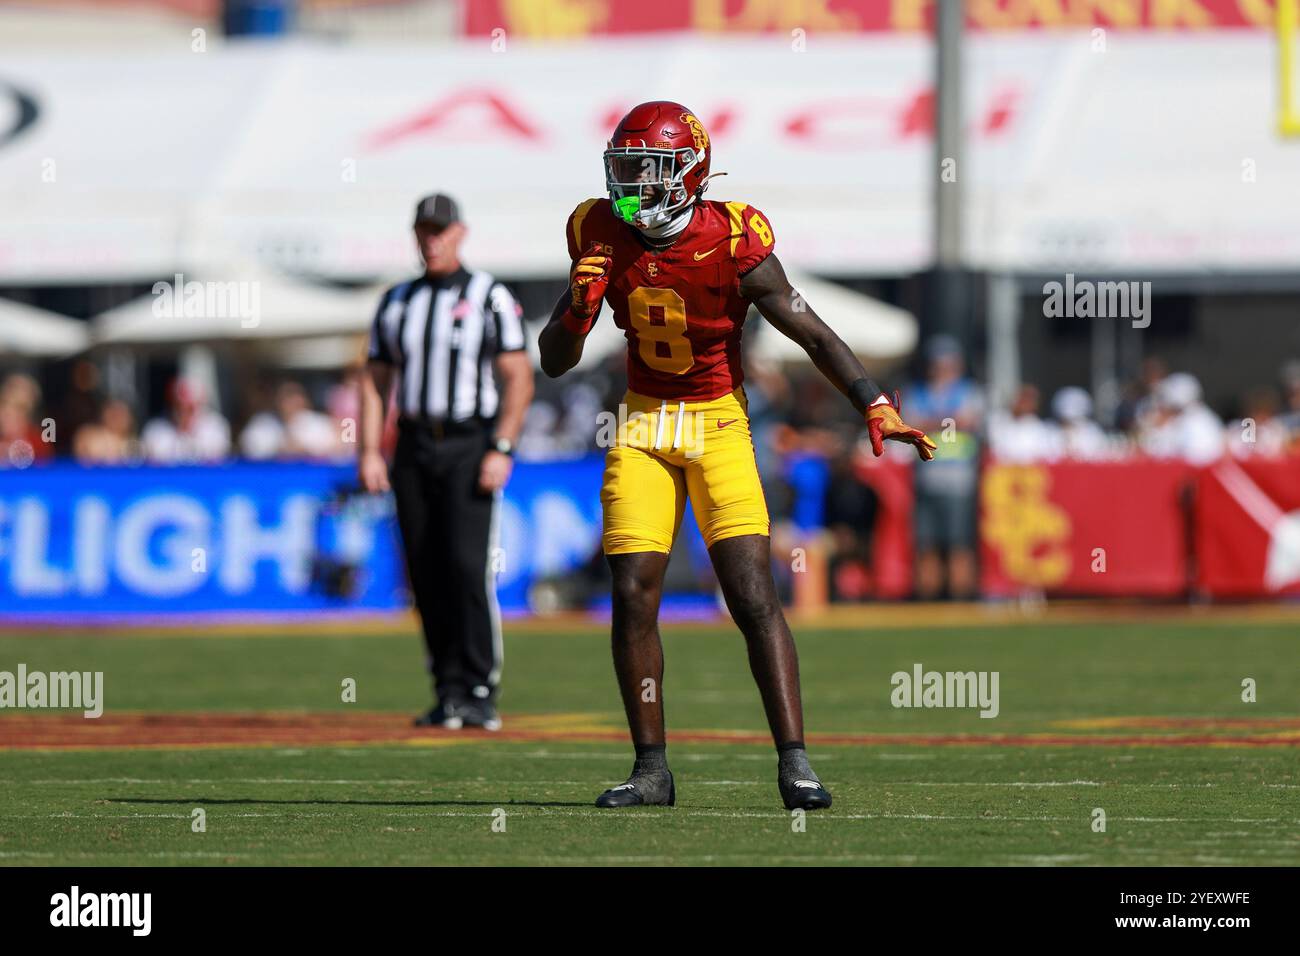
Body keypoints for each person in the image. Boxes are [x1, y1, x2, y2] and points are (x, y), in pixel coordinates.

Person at [538, 102, 934, 811]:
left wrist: (872, 400)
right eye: (623, 171)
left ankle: (795, 762)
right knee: (632, 594)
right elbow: (555, 361)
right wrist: (576, 308)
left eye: (647, 173)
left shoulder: (733, 237)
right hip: (643, 421)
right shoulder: (593, 227)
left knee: (752, 595)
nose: (630, 188)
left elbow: (812, 332)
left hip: (718, 420)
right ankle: (651, 770)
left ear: (689, 173)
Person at [358, 193, 534, 732]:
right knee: (423, 569)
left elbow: (518, 378)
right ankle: (447, 688)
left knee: (465, 565)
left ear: (460, 232)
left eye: (440, 230)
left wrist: (501, 447)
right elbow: (374, 381)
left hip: (468, 441)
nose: (431, 240)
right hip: (413, 443)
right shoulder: (397, 301)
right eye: (423, 230)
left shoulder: (489, 296)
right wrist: (369, 450)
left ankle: (479, 687)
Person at [904, 336, 983, 600]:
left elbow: (968, 421)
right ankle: (929, 599)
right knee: (927, 543)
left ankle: (960, 597)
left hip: (958, 479)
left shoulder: (968, 392)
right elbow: (910, 424)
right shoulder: (918, 393)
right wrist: (947, 419)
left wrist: (931, 422)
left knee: (959, 542)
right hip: (927, 477)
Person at [140, 377, 231, 464]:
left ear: (200, 404)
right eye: (178, 406)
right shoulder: (155, 430)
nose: (183, 412)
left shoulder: (216, 428)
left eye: (190, 408)